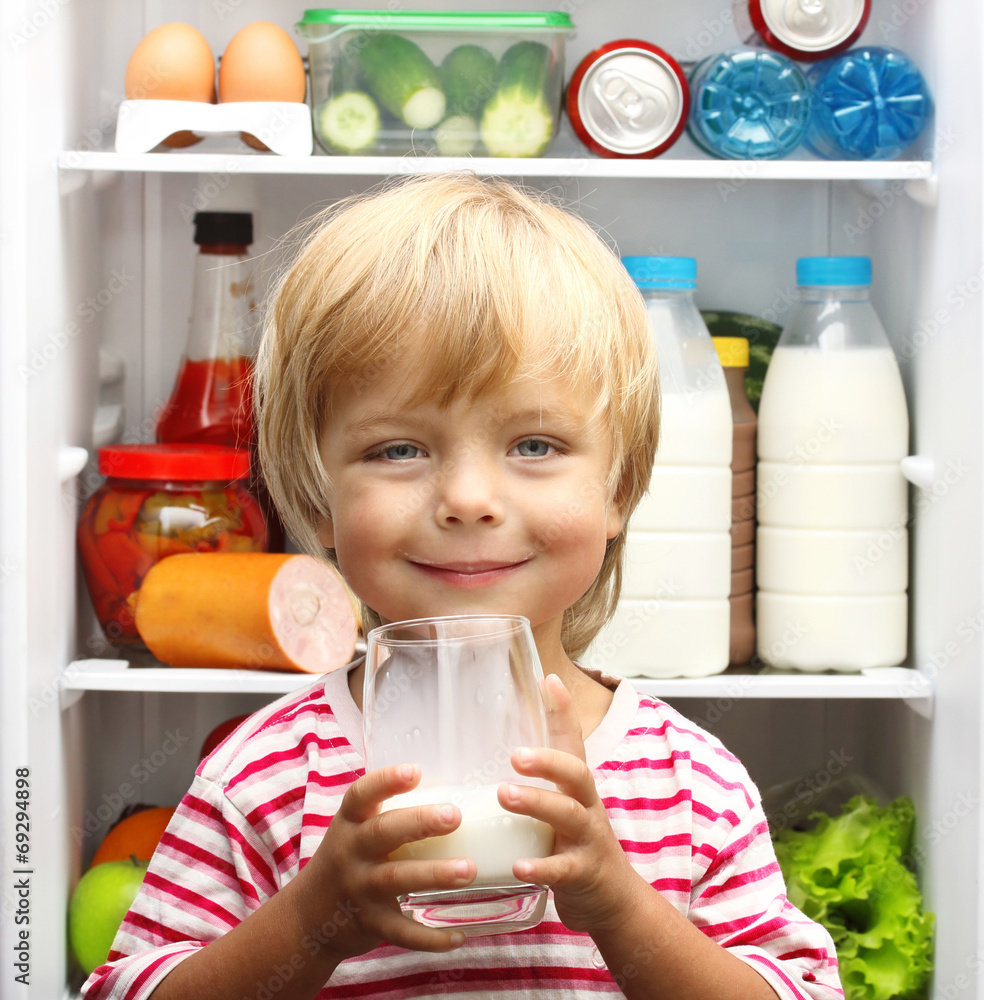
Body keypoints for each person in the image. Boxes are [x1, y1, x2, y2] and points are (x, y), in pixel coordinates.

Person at [83, 173, 842, 1000]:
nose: (469, 500)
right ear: (315, 500)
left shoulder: (690, 784)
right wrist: (312, 924)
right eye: (399, 450)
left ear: (619, 489)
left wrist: (619, 906)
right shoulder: (265, 775)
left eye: (536, 444)